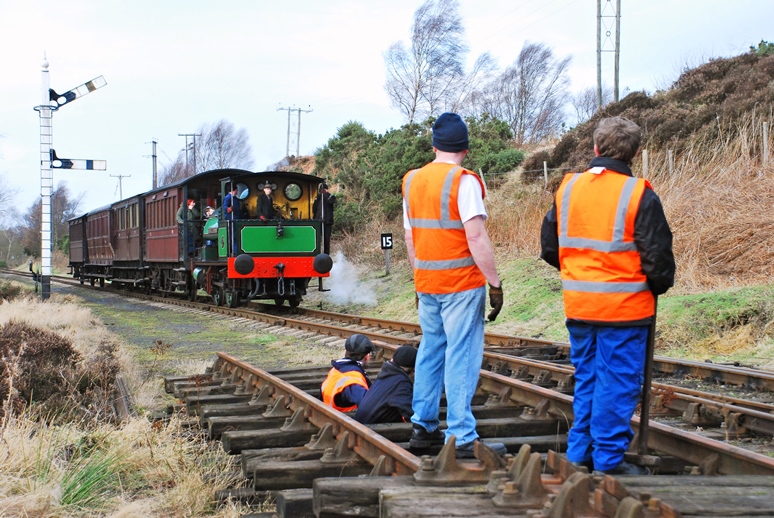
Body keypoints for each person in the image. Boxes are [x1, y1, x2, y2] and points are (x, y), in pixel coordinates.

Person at [539, 116, 675, 476]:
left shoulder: (567, 188)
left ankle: (579, 453)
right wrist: (654, 285)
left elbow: (550, 247)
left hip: (580, 306)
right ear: (634, 153)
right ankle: (608, 462)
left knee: (588, 379)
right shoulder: (638, 193)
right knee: (617, 384)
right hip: (625, 310)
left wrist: (581, 273)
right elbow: (658, 259)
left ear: (596, 148)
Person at [402, 112, 505, 459]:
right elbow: (475, 236)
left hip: (427, 282)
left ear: (435, 146)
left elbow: (410, 236)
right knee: (461, 354)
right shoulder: (464, 182)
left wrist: (420, 279)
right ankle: (461, 435)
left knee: (431, 350)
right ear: (464, 148)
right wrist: (494, 282)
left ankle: (423, 426)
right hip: (461, 284)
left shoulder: (412, 180)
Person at [354, 345, 417, 425]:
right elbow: (411, 414)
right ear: (413, 369)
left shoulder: (387, 375)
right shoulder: (400, 384)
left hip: (363, 427)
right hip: (371, 432)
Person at [321, 334, 374, 412]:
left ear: (345, 352)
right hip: (345, 420)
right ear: (367, 357)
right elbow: (368, 405)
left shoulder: (335, 370)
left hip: (330, 415)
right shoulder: (353, 379)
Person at [313, 183, 336, 254]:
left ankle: (326, 254)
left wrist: (325, 195)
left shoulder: (330, 197)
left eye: (323, 189)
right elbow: (314, 208)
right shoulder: (318, 198)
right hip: (318, 221)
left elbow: (330, 202)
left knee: (326, 239)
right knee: (316, 238)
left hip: (327, 221)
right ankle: (316, 253)